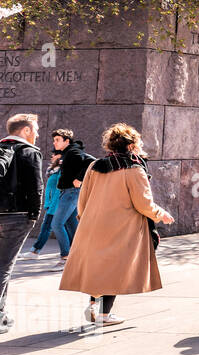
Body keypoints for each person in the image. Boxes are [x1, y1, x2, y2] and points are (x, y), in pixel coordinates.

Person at [59, 123, 174, 325]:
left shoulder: (95, 166)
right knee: (114, 269)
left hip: (93, 223)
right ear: (131, 145)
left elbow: (83, 198)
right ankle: (103, 314)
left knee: (100, 268)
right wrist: (161, 214)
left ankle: (95, 307)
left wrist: (84, 219)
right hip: (122, 227)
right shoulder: (134, 168)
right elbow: (143, 203)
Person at [0, 113, 44, 333]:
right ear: (25, 130)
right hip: (16, 216)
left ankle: (2, 313)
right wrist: (34, 215)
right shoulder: (29, 151)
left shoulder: (2, 149)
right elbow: (36, 186)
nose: (37, 134)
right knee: (4, 266)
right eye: (35, 129)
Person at [51, 130, 94, 263]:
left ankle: (65, 256)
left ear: (67, 141)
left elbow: (91, 161)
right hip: (67, 192)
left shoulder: (73, 151)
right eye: (54, 140)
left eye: (58, 139)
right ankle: (80, 254)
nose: (54, 142)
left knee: (57, 224)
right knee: (72, 225)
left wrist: (80, 178)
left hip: (71, 192)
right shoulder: (67, 153)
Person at [20, 153, 63, 260]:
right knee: (65, 228)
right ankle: (68, 251)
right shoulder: (53, 170)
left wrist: (52, 206)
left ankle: (35, 251)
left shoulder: (61, 171)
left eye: (55, 154)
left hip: (55, 204)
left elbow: (58, 190)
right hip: (51, 203)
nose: (52, 155)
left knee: (46, 228)